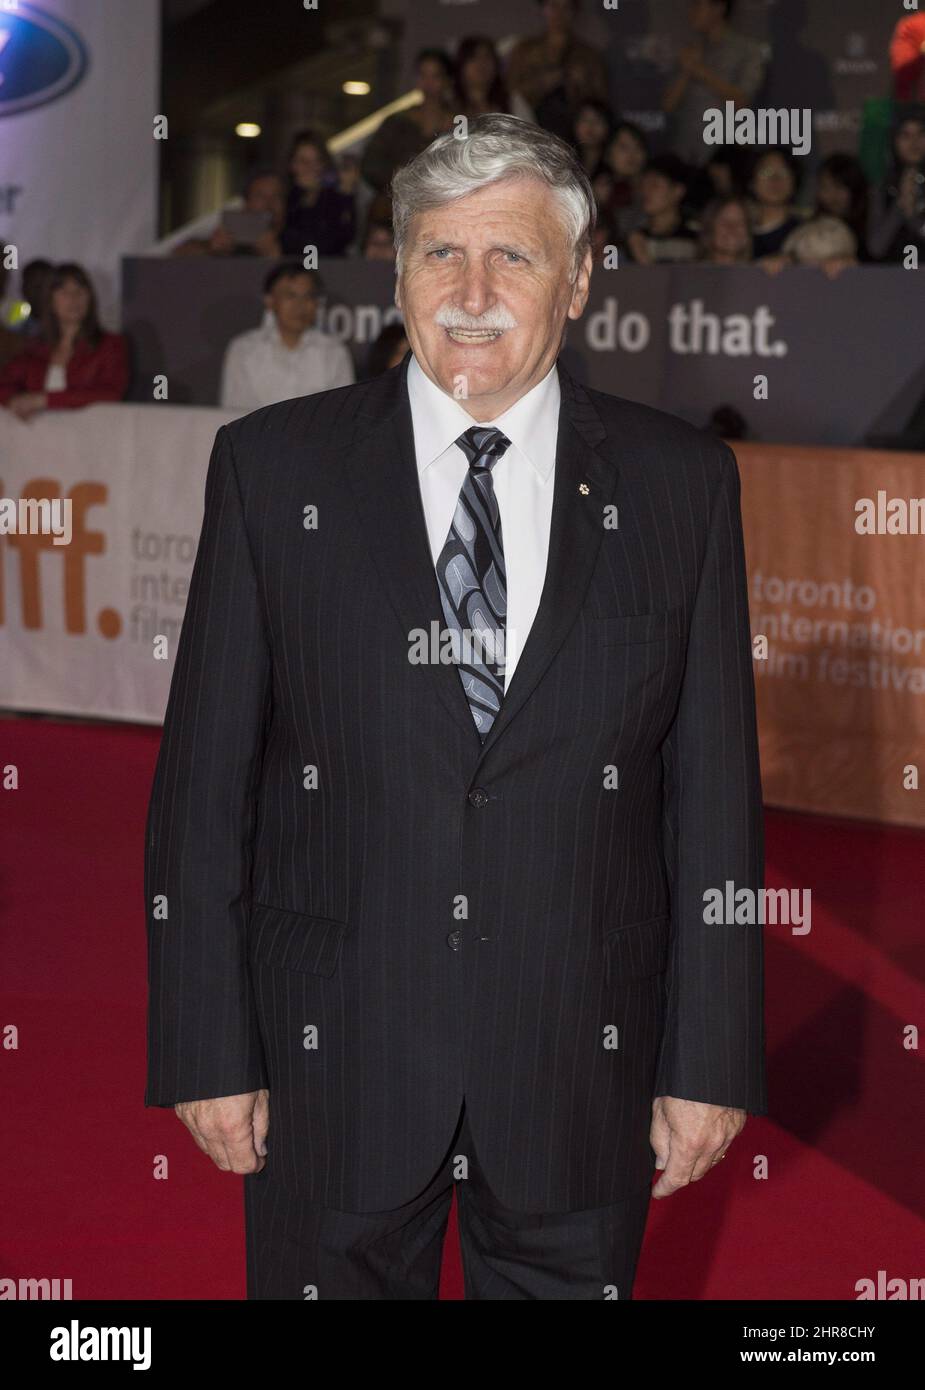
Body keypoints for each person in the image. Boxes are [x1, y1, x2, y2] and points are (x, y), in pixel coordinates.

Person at [145, 112, 767, 1301]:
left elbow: (712, 802)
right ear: (396, 270)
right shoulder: (274, 470)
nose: (471, 292)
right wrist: (204, 1045)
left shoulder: (680, 484)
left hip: (580, 1076)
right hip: (331, 1070)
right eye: (440, 253)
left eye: (514, 257)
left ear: (580, 278)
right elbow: (202, 788)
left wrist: (712, 1056)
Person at [218, 261, 354, 411]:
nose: (300, 305)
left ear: (316, 304)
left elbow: (341, 414)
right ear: (270, 301)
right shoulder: (244, 349)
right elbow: (235, 412)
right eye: (291, 296)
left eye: (308, 297)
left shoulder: (334, 352)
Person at [0, 263, 128, 418]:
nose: (74, 299)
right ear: (50, 299)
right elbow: (5, 384)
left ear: (90, 297)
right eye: (64, 292)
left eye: (80, 291)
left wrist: (44, 400)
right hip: (37, 435)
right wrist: (14, 400)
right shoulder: (34, 348)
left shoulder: (111, 345)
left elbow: (110, 393)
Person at [662, 0, 765, 167]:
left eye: (697, 4)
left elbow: (742, 101)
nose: (692, 11)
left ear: (719, 8)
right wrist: (686, 72)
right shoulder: (690, 50)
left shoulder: (747, 50)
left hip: (724, 154)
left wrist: (700, 72)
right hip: (682, 153)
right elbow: (668, 105)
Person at [360, 49, 456, 197]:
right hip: (395, 206)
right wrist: (398, 176)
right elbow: (370, 164)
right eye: (423, 75)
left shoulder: (458, 123)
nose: (428, 82)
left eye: (435, 76)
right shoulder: (397, 122)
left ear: (447, 80)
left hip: (441, 202)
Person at [505, 0, 607, 118]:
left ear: (575, 12)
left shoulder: (589, 56)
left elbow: (600, 102)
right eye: (553, 6)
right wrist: (543, 83)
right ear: (543, 10)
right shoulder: (524, 50)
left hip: (576, 126)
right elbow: (511, 93)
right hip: (530, 123)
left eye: (566, 7)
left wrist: (579, 85)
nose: (559, 13)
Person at [172, 171, 286, 259]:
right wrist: (210, 249)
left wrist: (275, 257)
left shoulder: (294, 238)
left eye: (277, 196)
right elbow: (175, 254)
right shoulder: (231, 232)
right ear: (246, 203)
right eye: (260, 196)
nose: (269, 203)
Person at [280, 131, 355, 258]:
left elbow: (342, 240)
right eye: (304, 161)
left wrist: (345, 196)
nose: (311, 168)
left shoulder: (335, 201)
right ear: (292, 165)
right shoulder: (282, 201)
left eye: (317, 161)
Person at [868, 112, 925, 264]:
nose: (915, 142)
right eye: (905, 135)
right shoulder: (882, 188)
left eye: (921, 133)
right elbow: (876, 247)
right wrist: (900, 206)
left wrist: (912, 217)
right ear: (894, 141)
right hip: (893, 280)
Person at [626, 154, 699, 264]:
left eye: (655, 185)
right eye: (644, 184)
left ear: (678, 191)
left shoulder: (695, 236)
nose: (646, 191)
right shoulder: (636, 237)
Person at [747, 148, 804, 258]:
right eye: (766, 172)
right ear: (752, 182)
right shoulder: (736, 231)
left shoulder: (805, 233)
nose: (775, 179)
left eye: (783, 172)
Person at [814, 153, 869, 261]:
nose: (832, 195)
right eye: (825, 187)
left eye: (839, 187)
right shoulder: (812, 226)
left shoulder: (870, 228)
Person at [452, 35, 511, 119]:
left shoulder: (512, 102)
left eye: (487, 56)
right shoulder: (447, 104)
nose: (482, 63)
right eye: (473, 57)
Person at [698, 194, 752, 263]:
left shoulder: (760, 271)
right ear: (709, 228)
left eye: (740, 222)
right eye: (724, 222)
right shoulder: (688, 271)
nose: (733, 228)